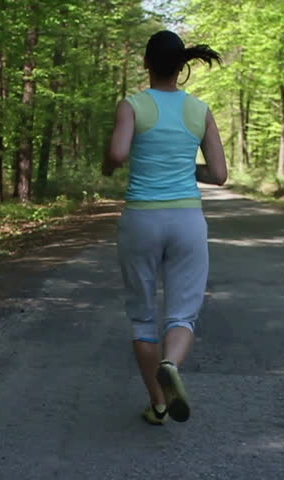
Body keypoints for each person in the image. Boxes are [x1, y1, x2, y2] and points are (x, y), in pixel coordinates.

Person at [102, 30, 227, 425]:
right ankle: (171, 363)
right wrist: (183, 168)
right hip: (187, 220)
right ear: (182, 68)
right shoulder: (199, 110)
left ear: (146, 63)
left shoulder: (133, 105)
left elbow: (119, 153)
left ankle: (158, 404)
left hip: (142, 218)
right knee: (181, 316)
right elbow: (220, 174)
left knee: (142, 317)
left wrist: (108, 164)